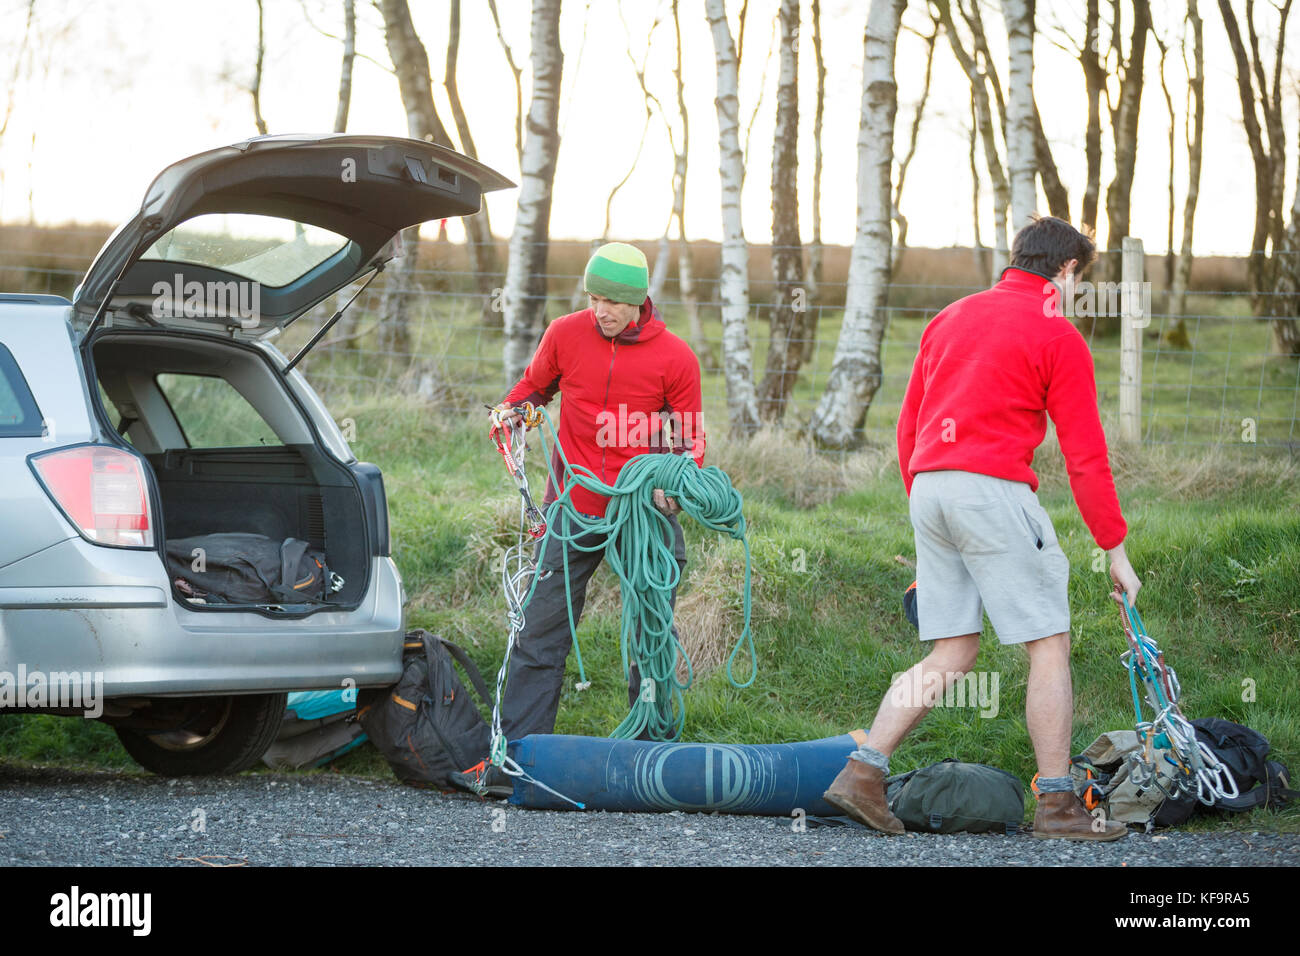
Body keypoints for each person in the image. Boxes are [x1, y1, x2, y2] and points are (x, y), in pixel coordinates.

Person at [822, 216, 1141, 841]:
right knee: (1047, 645)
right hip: (993, 492)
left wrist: (933, 520)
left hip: (931, 489)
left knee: (953, 650)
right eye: (1080, 279)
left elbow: (908, 431)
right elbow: (1085, 455)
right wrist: (1114, 547)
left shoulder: (951, 317)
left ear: (1017, 258)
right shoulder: (1058, 333)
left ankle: (862, 774)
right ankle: (1057, 806)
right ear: (1068, 269)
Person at [490, 241, 706, 747]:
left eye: (611, 302)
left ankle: (652, 752)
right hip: (571, 505)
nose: (600, 311)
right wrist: (511, 411)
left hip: (642, 514)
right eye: (593, 299)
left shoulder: (676, 358)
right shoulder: (565, 334)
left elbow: (690, 439)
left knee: (649, 634)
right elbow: (532, 387)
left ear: (638, 301)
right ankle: (517, 754)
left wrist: (677, 483)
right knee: (540, 628)